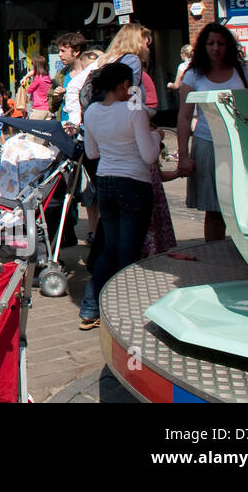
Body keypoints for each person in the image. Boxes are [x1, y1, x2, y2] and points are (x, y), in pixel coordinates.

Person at [77, 61, 163, 330]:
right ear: (125, 84)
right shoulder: (134, 110)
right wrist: (158, 136)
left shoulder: (91, 111)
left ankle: (90, 307)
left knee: (109, 248)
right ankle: (122, 312)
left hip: (106, 181)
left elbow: (92, 153)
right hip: (134, 183)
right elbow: (149, 155)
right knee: (129, 252)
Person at [176, 23, 248, 242]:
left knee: (244, 203)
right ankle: (215, 254)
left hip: (241, 145)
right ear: (203, 46)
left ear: (228, 45)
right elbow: (184, 116)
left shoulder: (242, 69)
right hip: (207, 143)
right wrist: (183, 156)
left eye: (221, 43)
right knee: (214, 208)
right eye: (210, 43)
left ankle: (246, 253)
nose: (216, 48)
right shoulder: (192, 75)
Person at [50, 32, 86, 120]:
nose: (59, 54)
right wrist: (56, 98)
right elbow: (51, 108)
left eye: (63, 51)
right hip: (64, 129)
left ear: (76, 52)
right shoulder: (60, 76)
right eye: (59, 51)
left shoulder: (90, 74)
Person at [27, 55, 53, 120]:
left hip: (38, 109)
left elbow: (29, 90)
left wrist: (25, 78)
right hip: (47, 108)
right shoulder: (47, 77)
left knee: (33, 129)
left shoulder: (38, 78)